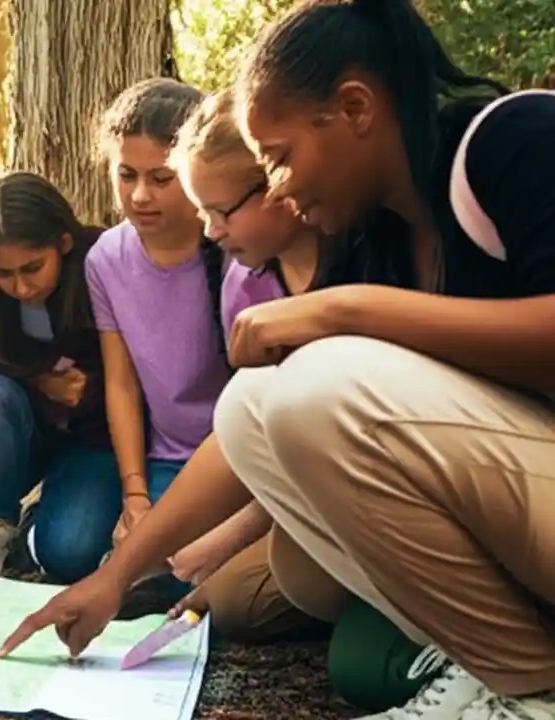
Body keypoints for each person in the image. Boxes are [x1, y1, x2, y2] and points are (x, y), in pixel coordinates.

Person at [2, 1, 555, 718]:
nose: (283, 188)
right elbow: (251, 434)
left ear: (355, 107)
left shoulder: (513, 140)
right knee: (254, 407)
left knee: (308, 388)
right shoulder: (372, 240)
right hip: (518, 501)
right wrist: (117, 577)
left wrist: (341, 311)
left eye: (281, 159)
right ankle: (515, 674)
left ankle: (528, 687)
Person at [168, 87, 439, 711]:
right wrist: (122, 571)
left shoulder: (374, 255)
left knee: (357, 662)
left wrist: (226, 536)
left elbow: (325, 435)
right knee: (231, 601)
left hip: (392, 486)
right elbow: (255, 437)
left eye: (221, 212)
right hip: (316, 495)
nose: (209, 233)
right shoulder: (246, 280)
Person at [84, 78, 227, 591]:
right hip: (167, 462)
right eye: (127, 175)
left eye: (162, 179)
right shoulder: (105, 260)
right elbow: (122, 383)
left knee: (203, 573)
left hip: (239, 461)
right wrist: (136, 497)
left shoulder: (236, 248)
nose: (140, 196)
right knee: (74, 549)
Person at [0, 171, 114, 583]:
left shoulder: (105, 263)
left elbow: (144, 370)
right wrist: (37, 384)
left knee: (70, 555)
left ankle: (42, 516)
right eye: (3, 273)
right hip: (20, 437)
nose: (20, 286)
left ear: (64, 242)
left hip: (96, 439)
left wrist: (88, 391)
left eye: (32, 267)